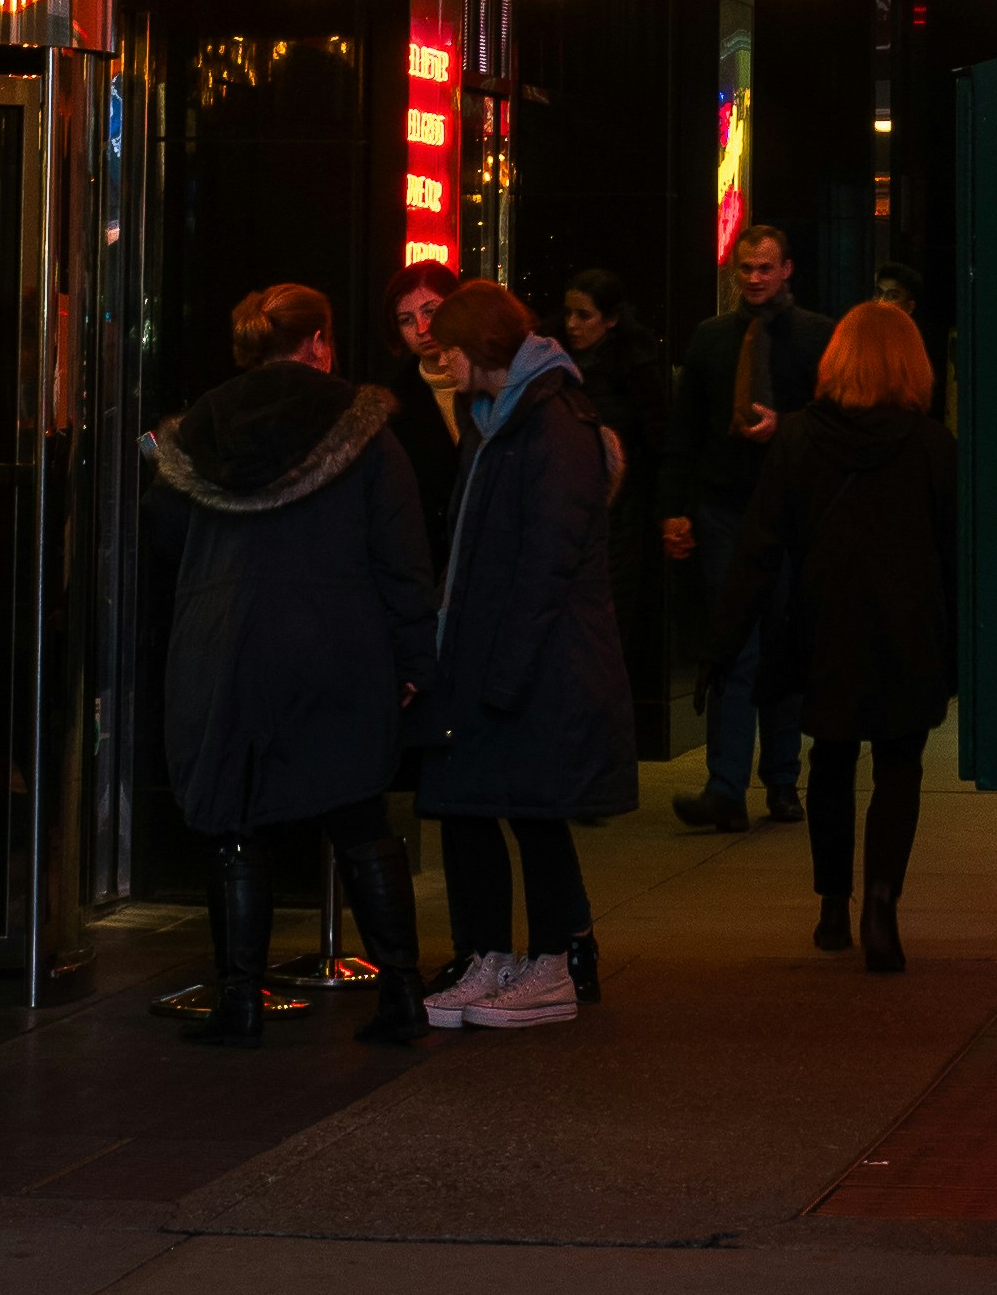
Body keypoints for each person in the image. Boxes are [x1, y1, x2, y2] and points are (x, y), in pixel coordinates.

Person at [148, 282, 438, 1043]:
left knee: (235, 824)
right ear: (317, 341)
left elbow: (166, 538)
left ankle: (241, 999)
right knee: (358, 815)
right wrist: (415, 655)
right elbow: (401, 554)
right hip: (339, 642)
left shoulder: (202, 429)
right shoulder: (364, 427)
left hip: (230, 644)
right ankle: (401, 992)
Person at [413, 278, 636, 1029]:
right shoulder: (496, 416)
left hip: (539, 656)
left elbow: (549, 556)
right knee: (479, 802)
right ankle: (497, 955)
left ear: (482, 346)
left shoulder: (550, 421)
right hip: (496, 647)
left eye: (446, 342)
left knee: (532, 807)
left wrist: (502, 669)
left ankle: (551, 962)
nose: (435, 354)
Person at [708, 296, 954, 971]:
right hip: (910, 628)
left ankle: (829, 906)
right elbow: (955, 551)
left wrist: (724, 641)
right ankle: (881, 902)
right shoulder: (931, 445)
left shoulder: (798, 438)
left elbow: (759, 546)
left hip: (825, 624)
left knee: (833, 760)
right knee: (899, 766)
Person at [660, 218, 821, 830]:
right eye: (745, 268)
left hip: (789, 512)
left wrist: (787, 426)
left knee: (780, 642)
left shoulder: (814, 338)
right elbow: (685, 432)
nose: (754, 278)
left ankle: (781, 780)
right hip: (725, 506)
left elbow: (834, 421)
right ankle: (727, 785)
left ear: (786, 271)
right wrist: (675, 509)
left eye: (764, 268)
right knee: (734, 643)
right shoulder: (710, 340)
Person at [562, 266, 677, 757]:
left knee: (603, 634)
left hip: (617, 514)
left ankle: (599, 748)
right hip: (586, 509)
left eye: (582, 315)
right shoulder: (564, 361)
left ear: (609, 320)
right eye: (568, 313)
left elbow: (660, 439)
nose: (571, 324)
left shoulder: (629, 367)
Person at [383, 254, 465, 556]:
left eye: (431, 311)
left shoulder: (493, 381)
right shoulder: (393, 402)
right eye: (406, 320)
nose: (421, 328)